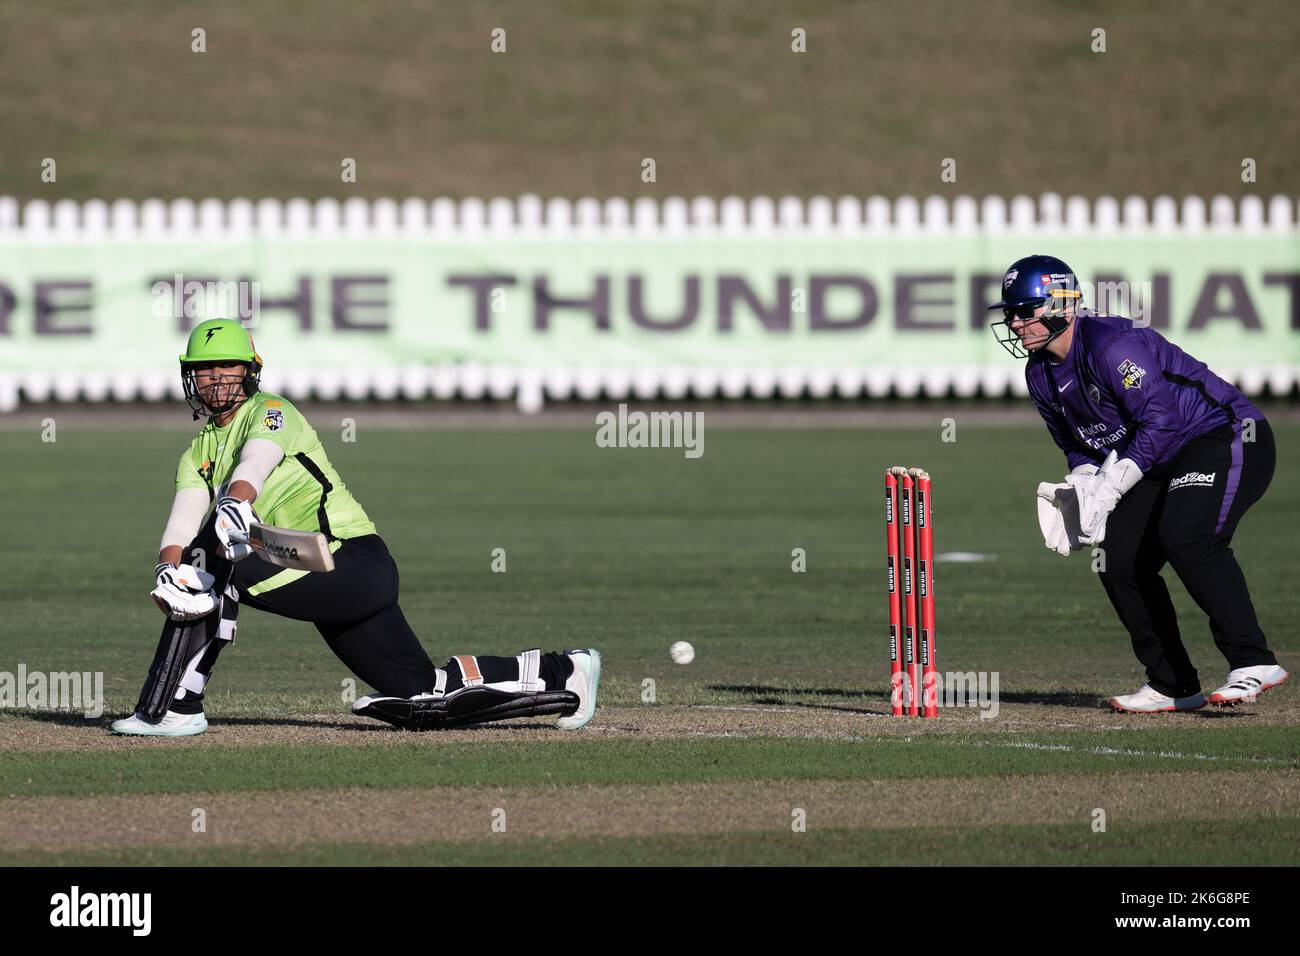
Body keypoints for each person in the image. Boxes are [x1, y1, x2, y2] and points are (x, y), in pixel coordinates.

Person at [111, 318, 600, 736]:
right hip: (306, 569)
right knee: (420, 690)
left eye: (226, 367)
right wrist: (166, 570)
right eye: (204, 369)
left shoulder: (274, 411)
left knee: (218, 554)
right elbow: (182, 516)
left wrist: (236, 506)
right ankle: (566, 669)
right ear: (189, 378)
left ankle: (174, 707)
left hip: (351, 560)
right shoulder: (197, 450)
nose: (215, 379)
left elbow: (255, 463)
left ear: (251, 372)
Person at [990, 255, 1288, 713]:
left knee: (1186, 535)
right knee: (1116, 560)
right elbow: (1079, 444)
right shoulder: (1039, 374)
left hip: (1223, 434)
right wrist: (1085, 486)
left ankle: (1253, 659)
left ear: (1061, 306)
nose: (1014, 321)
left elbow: (1162, 420)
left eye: (1024, 310)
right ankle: (1173, 683)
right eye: (1010, 312)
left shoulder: (1112, 346)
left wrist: (1111, 488)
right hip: (1154, 458)